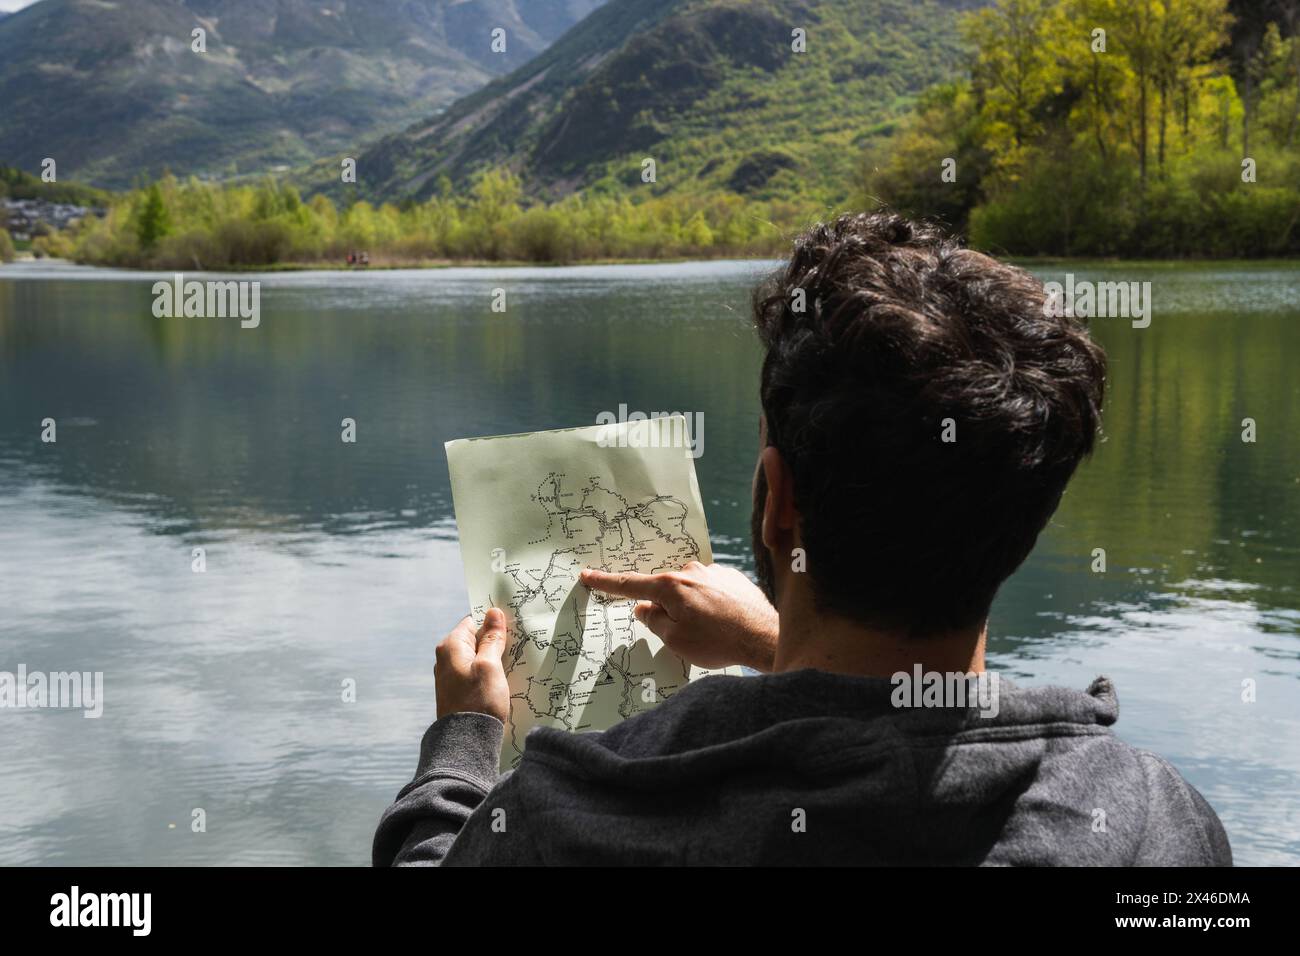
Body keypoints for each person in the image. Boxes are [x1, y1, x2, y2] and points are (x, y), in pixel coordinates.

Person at [373, 213, 1231, 866]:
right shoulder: (1152, 823)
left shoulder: (565, 815)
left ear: (778, 503)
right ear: (1026, 519)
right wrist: (773, 645)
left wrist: (461, 748)